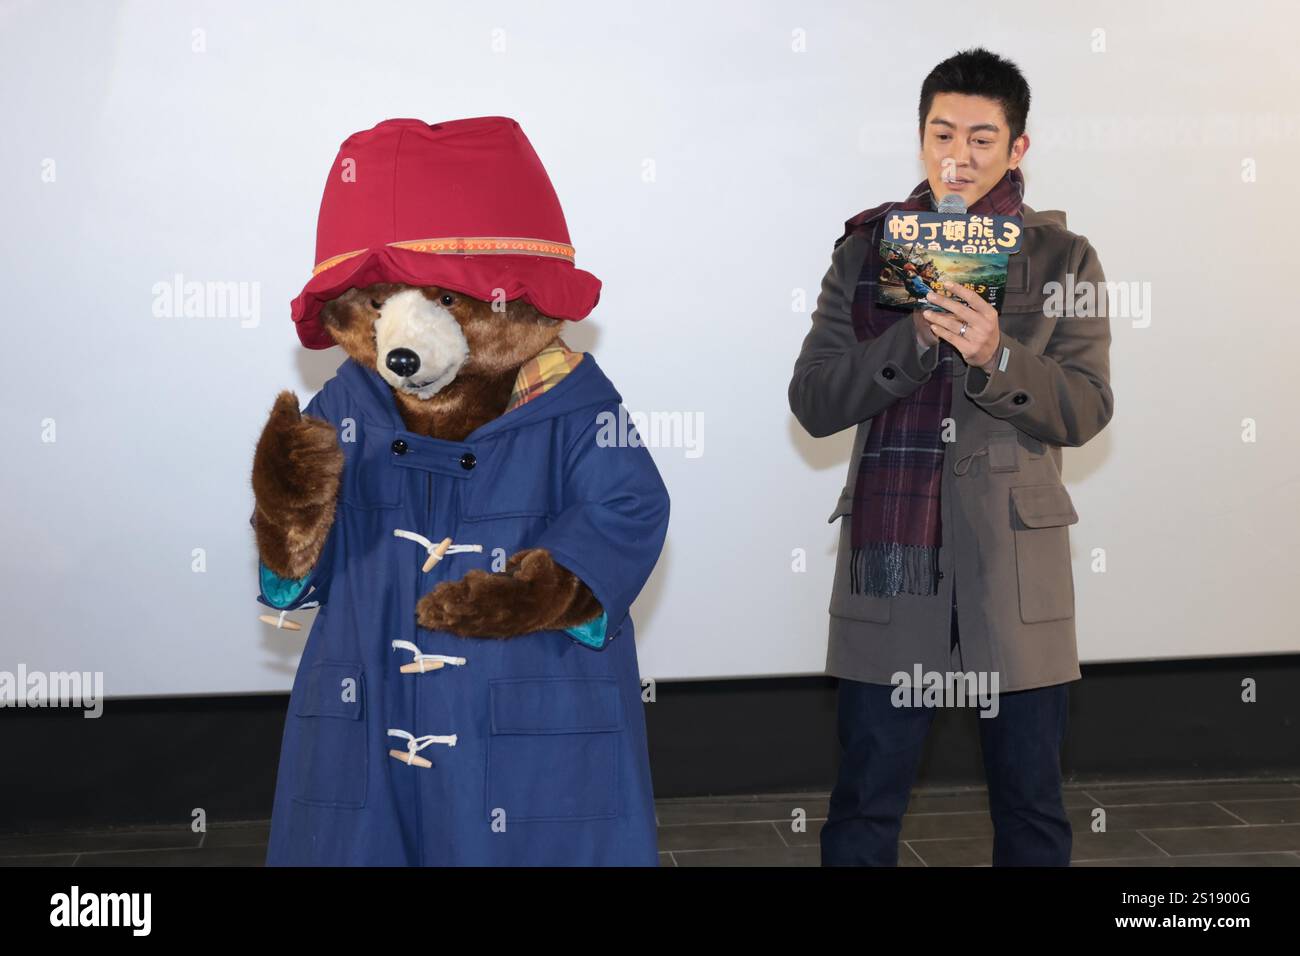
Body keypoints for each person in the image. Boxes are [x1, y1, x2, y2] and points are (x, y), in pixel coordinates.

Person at [787, 48, 1114, 866]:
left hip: (1010, 560)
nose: (956, 156)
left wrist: (999, 357)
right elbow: (815, 399)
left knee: (1032, 805)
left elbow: (1087, 407)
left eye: (979, 137)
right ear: (920, 138)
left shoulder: (1063, 258)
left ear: (1017, 148)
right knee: (865, 803)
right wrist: (913, 339)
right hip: (893, 558)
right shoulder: (868, 252)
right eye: (941, 134)